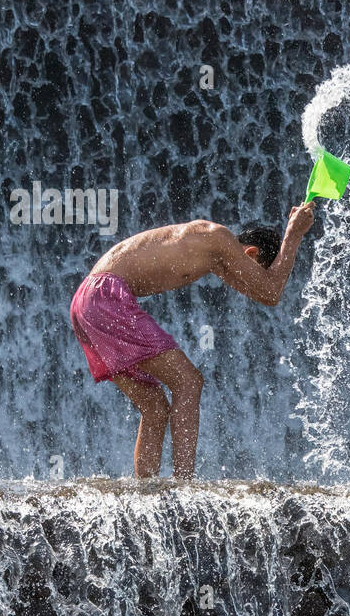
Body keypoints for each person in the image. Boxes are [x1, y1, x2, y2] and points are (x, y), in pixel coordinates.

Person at [69, 203, 316, 478]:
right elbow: (270, 290)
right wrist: (292, 237)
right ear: (251, 253)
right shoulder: (218, 237)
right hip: (105, 298)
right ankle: (184, 485)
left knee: (154, 406)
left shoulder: (212, 254)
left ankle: (145, 492)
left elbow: (266, 294)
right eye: (254, 268)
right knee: (188, 381)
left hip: (85, 301)